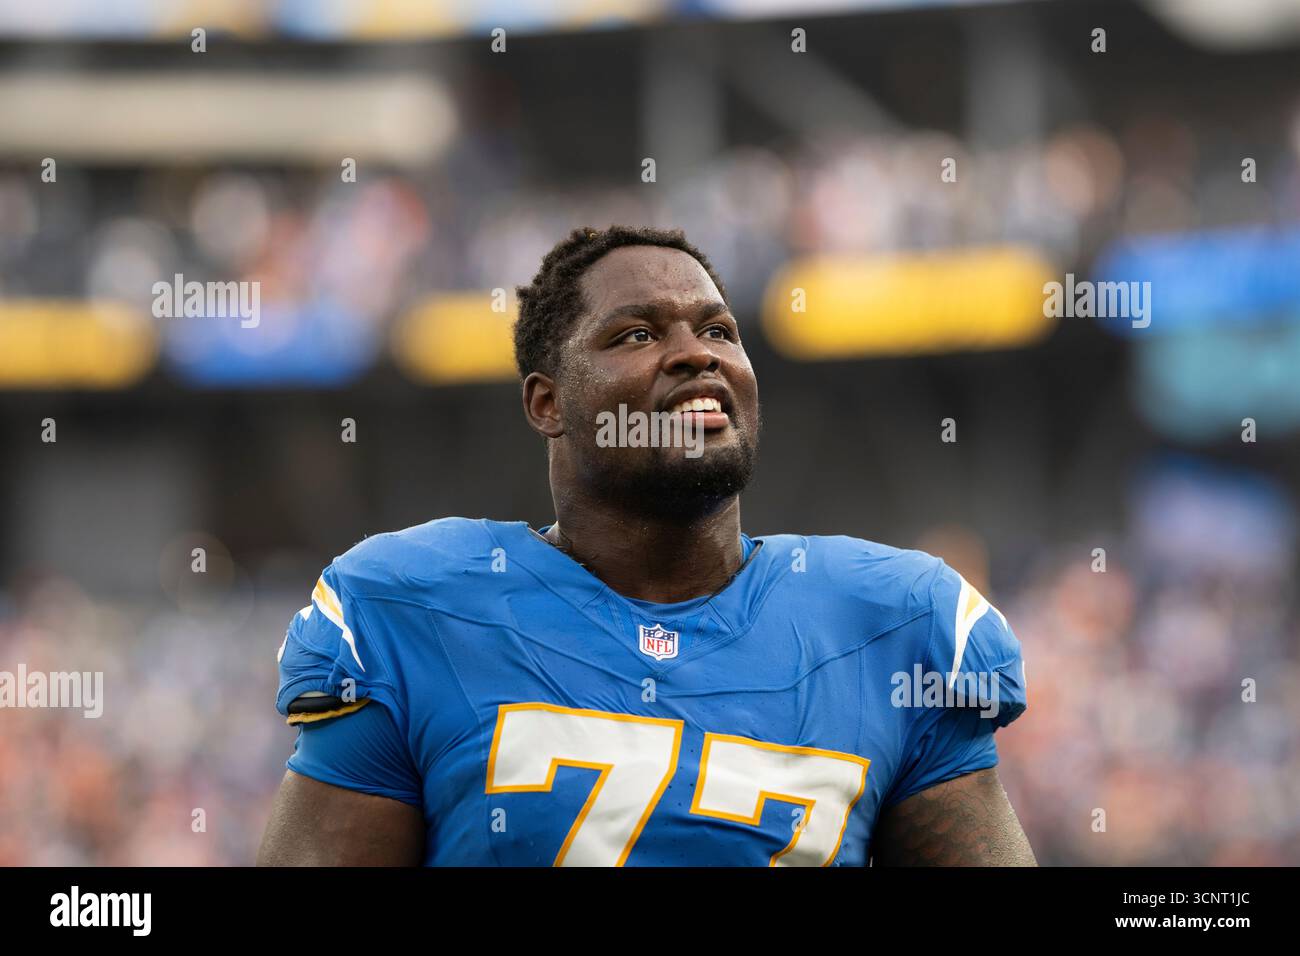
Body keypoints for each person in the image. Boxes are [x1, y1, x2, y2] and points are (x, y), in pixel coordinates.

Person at [257, 225, 1035, 866]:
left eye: (719, 330)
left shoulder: (894, 624)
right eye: (637, 333)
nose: (698, 353)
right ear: (547, 402)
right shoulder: (409, 609)